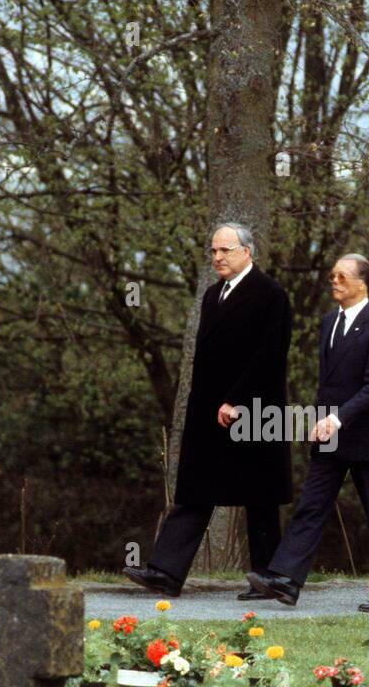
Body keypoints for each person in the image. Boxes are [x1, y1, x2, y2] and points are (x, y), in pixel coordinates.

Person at [124, 223, 292, 600]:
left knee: (259, 495)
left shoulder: (271, 295)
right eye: (213, 251)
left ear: (247, 252)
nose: (217, 258)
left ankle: (269, 578)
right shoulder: (213, 294)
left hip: (254, 410)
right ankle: (166, 571)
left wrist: (237, 400)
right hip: (210, 410)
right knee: (196, 489)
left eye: (225, 251)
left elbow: (269, 356)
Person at [247, 254, 369, 607]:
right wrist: (320, 421)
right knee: (311, 507)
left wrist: (338, 418)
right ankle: (286, 580)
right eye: (332, 275)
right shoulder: (329, 321)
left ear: (362, 284)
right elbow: (327, 383)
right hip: (329, 435)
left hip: (365, 437)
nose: (334, 281)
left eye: (342, 277)